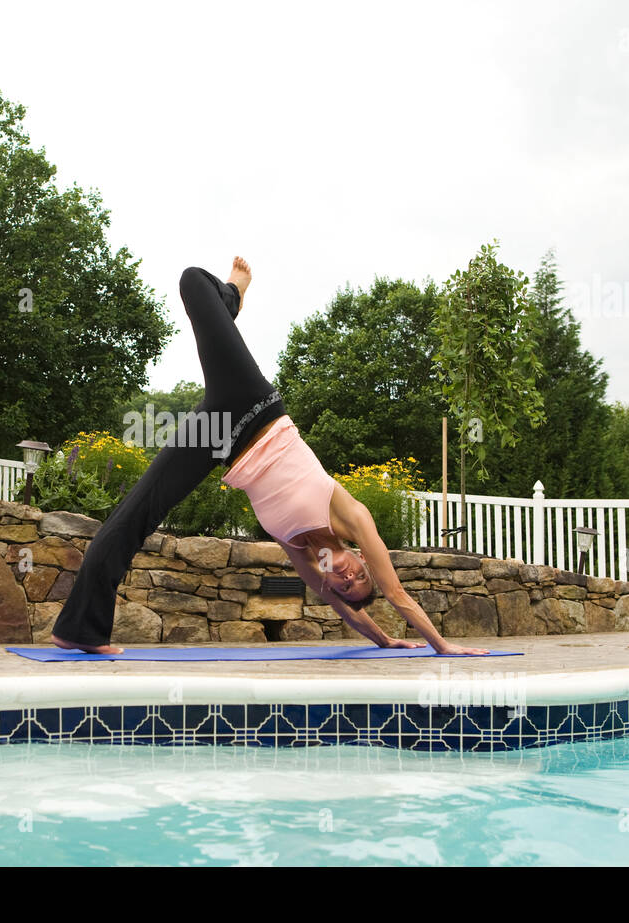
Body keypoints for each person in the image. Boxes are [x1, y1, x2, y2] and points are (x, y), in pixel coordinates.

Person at [51, 258, 489, 656]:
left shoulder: (299, 550)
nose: (349, 577)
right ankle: (231, 297)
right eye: (359, 574)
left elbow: (346, 610)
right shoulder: (352, 517)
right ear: (360, 558)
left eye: (345, 585)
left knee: (138, 512)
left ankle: (81, 630)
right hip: (252, 404)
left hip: (220, 440)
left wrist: (383, 639)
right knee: (193, 281)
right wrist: (442, 645)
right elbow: (397, 595)